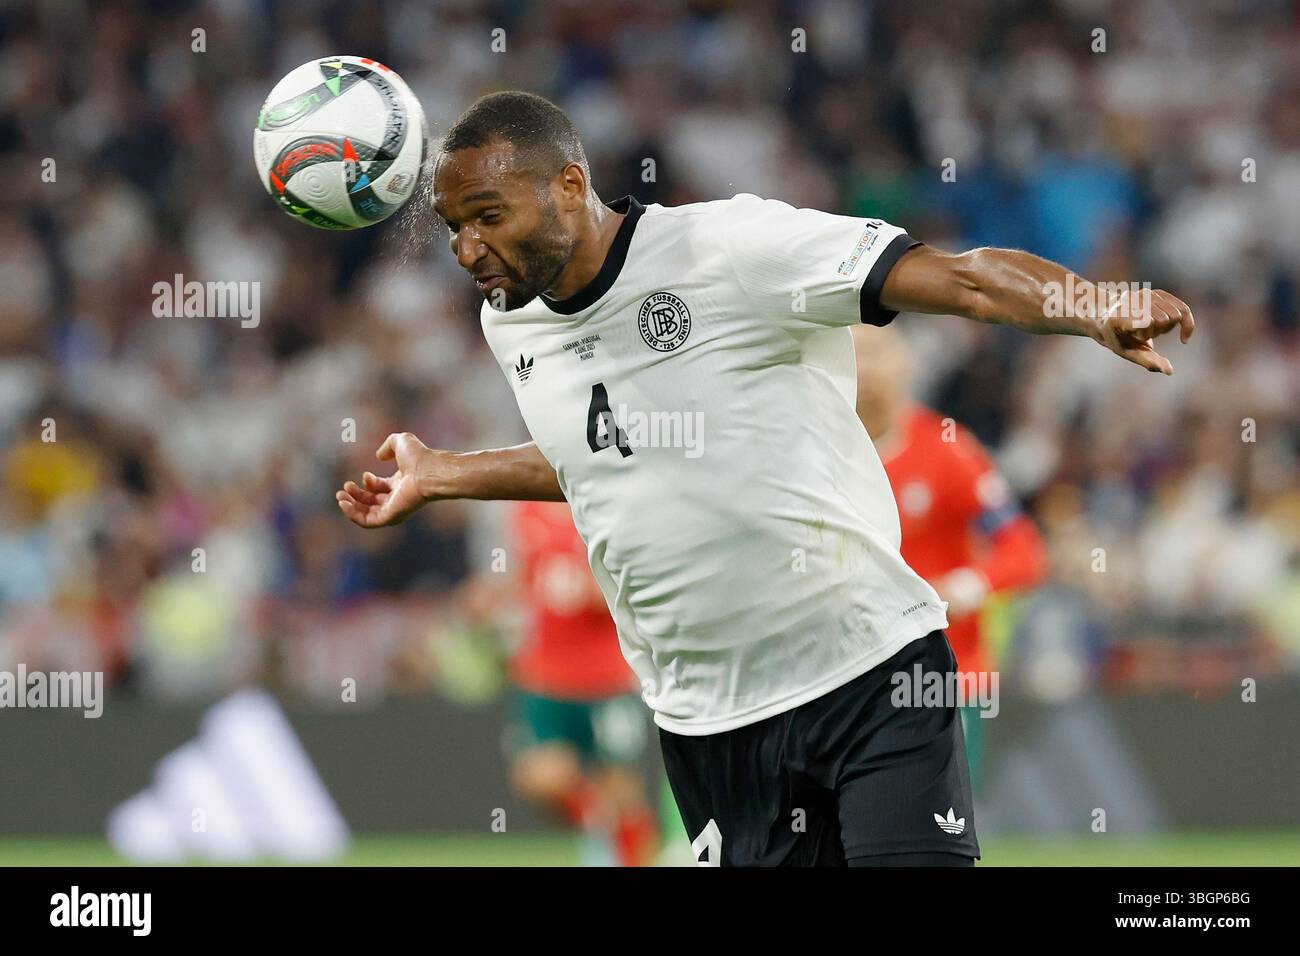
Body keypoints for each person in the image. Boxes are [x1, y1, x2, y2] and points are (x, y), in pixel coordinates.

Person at [336, 91, 1195, 866]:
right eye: (452, 226)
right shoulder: (511, 323)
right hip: (706, 721)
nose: (466, 247)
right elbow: (610, 458)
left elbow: (964, 279)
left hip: (868, 671)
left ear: (568, 185)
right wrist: (449, 473)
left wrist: (1093, 306)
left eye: (487, 215)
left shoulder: (730, 248)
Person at [851, 324, 1050, 793]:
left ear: (907, 365)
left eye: (876, 352)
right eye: (852, 354)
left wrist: (962, 587)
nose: (864, 368)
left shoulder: (948, 449)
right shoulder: (816, 455)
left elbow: (1025, 552)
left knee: (941, 825)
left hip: (942, 674)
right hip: (847, 673)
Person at [458, 500, 656, 866]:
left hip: (606, 679)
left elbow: (637, 587)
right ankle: (599, 825)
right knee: (538, 777)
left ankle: (625, 851)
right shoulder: (522, 511)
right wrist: (488, 597)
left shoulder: (605, 503)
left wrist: (589, 591)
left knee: (623, 790)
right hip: (544, 678)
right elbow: (521, 577)